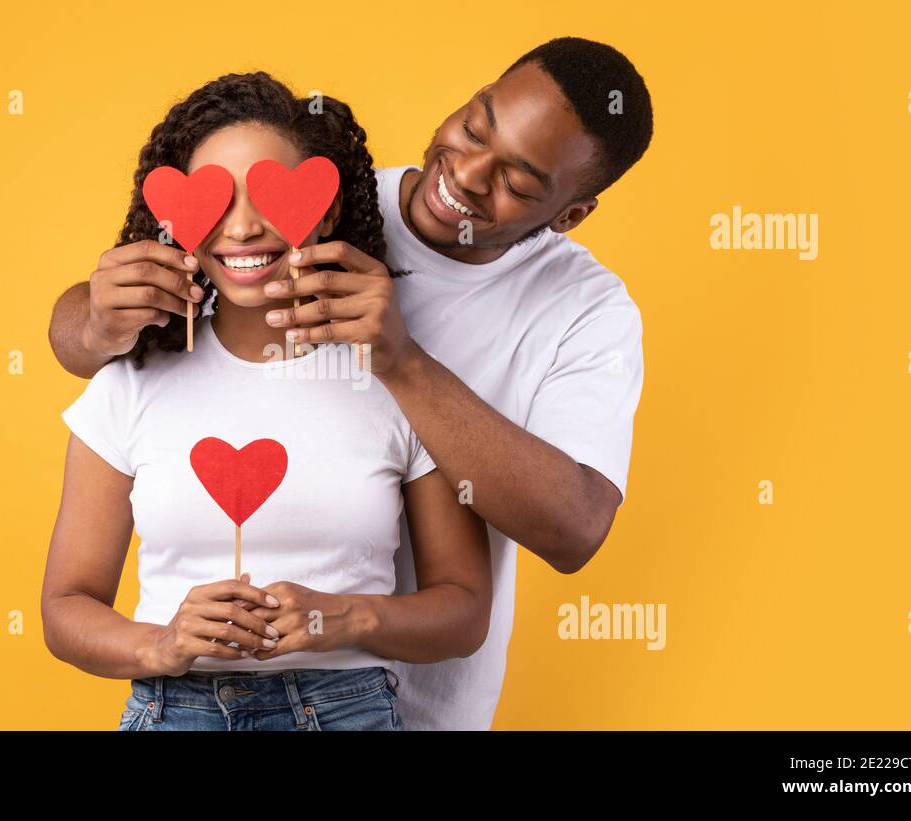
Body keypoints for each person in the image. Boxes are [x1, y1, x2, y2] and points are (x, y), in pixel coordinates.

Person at [48, 37, 655, 730]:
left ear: (568, 215)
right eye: (474, 125)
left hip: (409, 700)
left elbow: (574, 529)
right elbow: (98, 333)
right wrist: (95, 323)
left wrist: (402, 362)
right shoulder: (319, 192)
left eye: (516, 182)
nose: (464, 173)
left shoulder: (585, 311)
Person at [40, 72, 491, 731]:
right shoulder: (131, 379)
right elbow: (64, 605)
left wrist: (347, 615)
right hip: (175, 709)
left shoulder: (401, 380)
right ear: (176, 221)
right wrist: (158, 642)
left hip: (348, 711)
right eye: (215, 201)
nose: (244, 227)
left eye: (270, 197)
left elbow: (464, 610)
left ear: (327, 213)